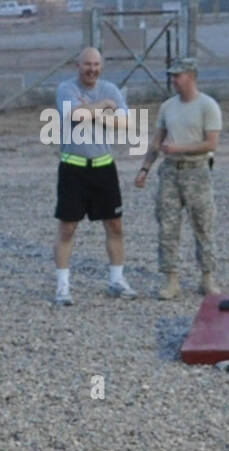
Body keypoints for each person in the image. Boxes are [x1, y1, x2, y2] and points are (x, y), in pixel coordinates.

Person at [53, 47, 138, 306]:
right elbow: (75, 116)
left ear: (102, 66)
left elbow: (126, 123)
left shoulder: (111, 88)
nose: (92, 69)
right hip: (73, 168)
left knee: (115, 225)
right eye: (87, 64)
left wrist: (92, 111)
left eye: (96, 64)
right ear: (77, 66)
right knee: (68, 228)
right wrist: (104, 108)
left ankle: (116, 280)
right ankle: (62, 286)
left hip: (104, 167)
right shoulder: (65, 89)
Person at [135, 58, 222, 300]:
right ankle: (170, 278)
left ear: (191, 76)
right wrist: (145, 169)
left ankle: (207, 277)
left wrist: (179, 148)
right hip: (171, 172)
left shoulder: (208, 106)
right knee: (168, 225)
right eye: (172, 76)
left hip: (197, 171)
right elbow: (157, 141)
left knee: (203, 225)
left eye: (178, 75)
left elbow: (211, 142)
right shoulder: (168, 107)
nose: (174, 80)